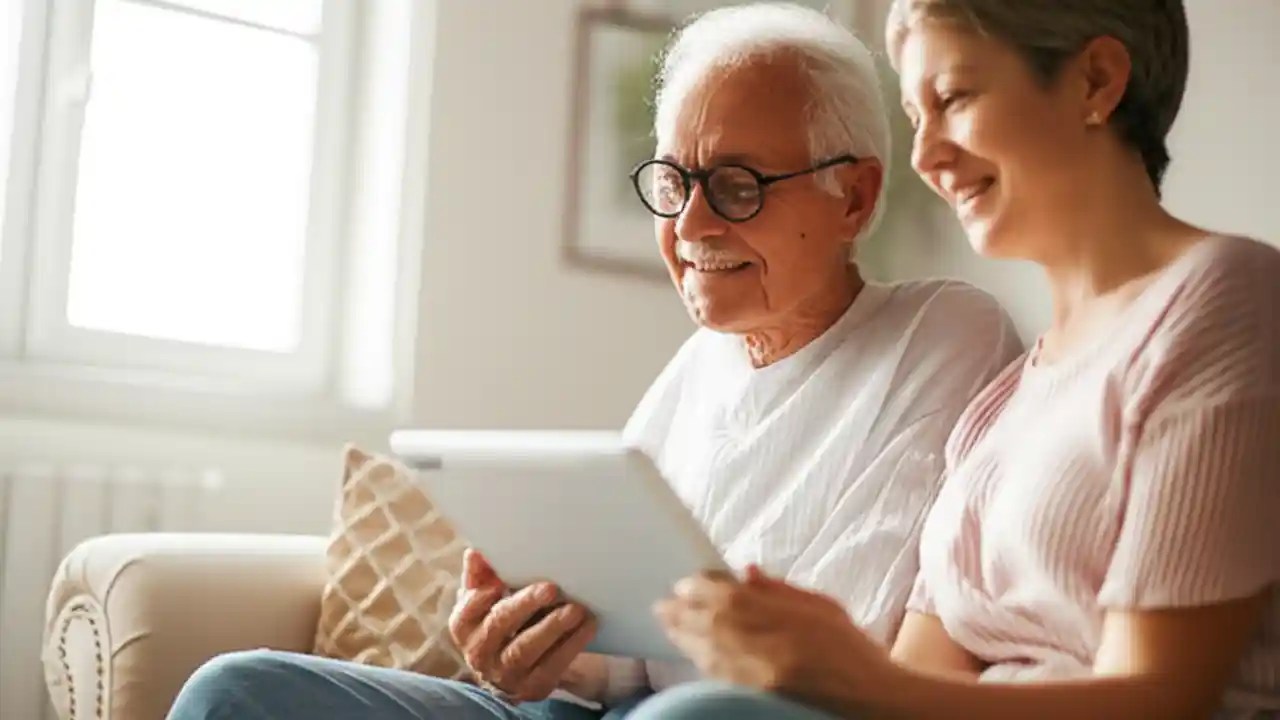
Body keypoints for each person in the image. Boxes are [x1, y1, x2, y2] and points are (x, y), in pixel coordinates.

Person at [164, 4, 1020, 719]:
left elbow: (856, 641)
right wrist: (541, 647)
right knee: (235, 691)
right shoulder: (699, 367)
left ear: (855, 196)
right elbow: (625, 655)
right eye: (675, 182)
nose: (689, 228)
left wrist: (634, 666)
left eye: (737, 186)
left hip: (730, 719)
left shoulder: (941, 334)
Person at [632, 1, 1280, 719]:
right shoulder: (1004, 402)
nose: (926, 155)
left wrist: (843, 671)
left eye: (954, 99)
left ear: (1095, 81)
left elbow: (1163, 698)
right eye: (916, 116)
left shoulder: (1222, 297)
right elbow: (915, 683)